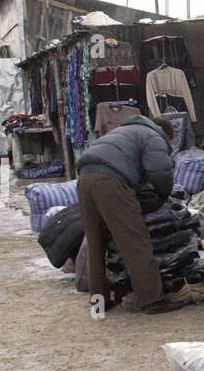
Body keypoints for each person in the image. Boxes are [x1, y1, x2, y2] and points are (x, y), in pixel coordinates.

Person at [74, 115, 186, 314]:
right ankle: (152, 299)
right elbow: (160, 171)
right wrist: (163, 195)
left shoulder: (124, 131)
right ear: (166, 135)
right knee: (135, 242)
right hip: (110, 181)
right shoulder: (154, 137)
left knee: (95, 242)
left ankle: (99, 299)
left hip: (84, 179)